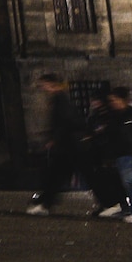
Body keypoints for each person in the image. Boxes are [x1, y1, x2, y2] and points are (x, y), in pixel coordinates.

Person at [28, 73, 77, 216]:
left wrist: (55, 139)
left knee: (55, 176)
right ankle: (45, 202)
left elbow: (63, 122)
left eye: (44, 85)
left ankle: (45, 203)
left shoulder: (60, 99)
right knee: (56, 176)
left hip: (66, 145)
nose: (43, 88)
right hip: (66, 144)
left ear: (51, 84)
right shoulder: (60, 98)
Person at [98, 90, 132, 222]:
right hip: (120, 154)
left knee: (130, 183)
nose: (112, 103)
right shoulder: (113, 116)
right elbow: (110, 138)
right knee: (129, 184)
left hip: (131, 153)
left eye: (115, 100)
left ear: (123, 100)